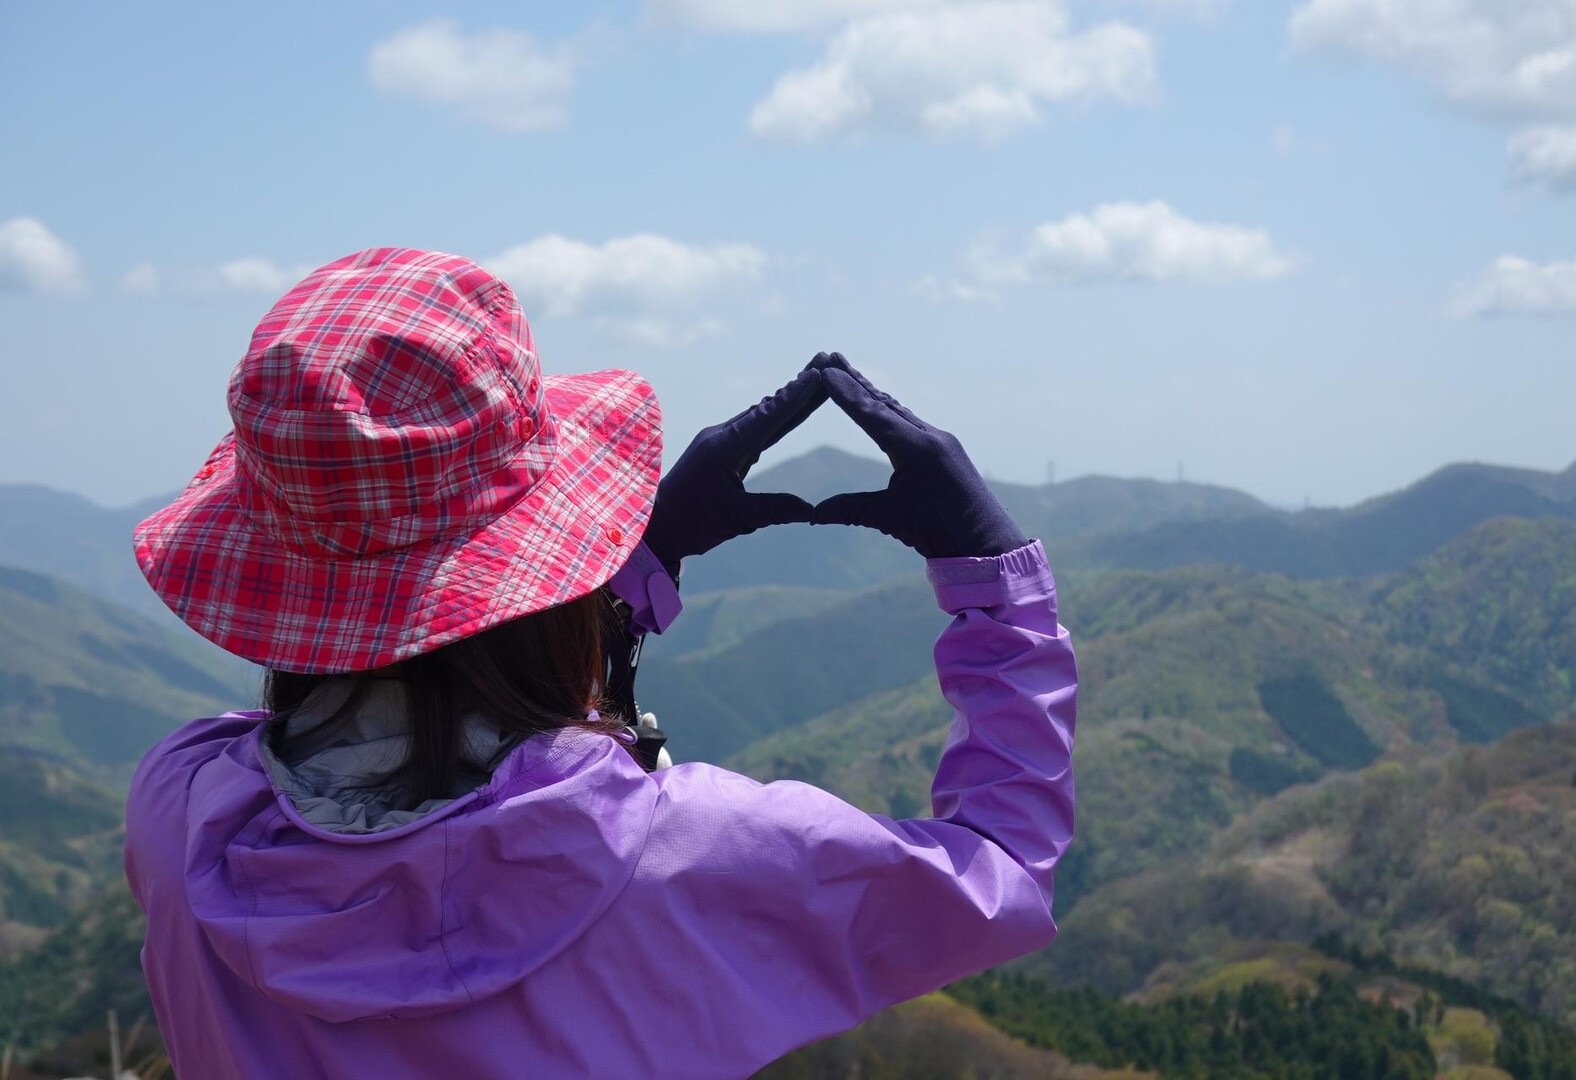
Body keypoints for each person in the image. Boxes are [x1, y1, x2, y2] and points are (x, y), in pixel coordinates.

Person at [124, 247, 1077, 1079]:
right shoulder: (692, 858)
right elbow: (1001, 868)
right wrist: (998, 595)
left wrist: (616, 596)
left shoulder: (182, 820)